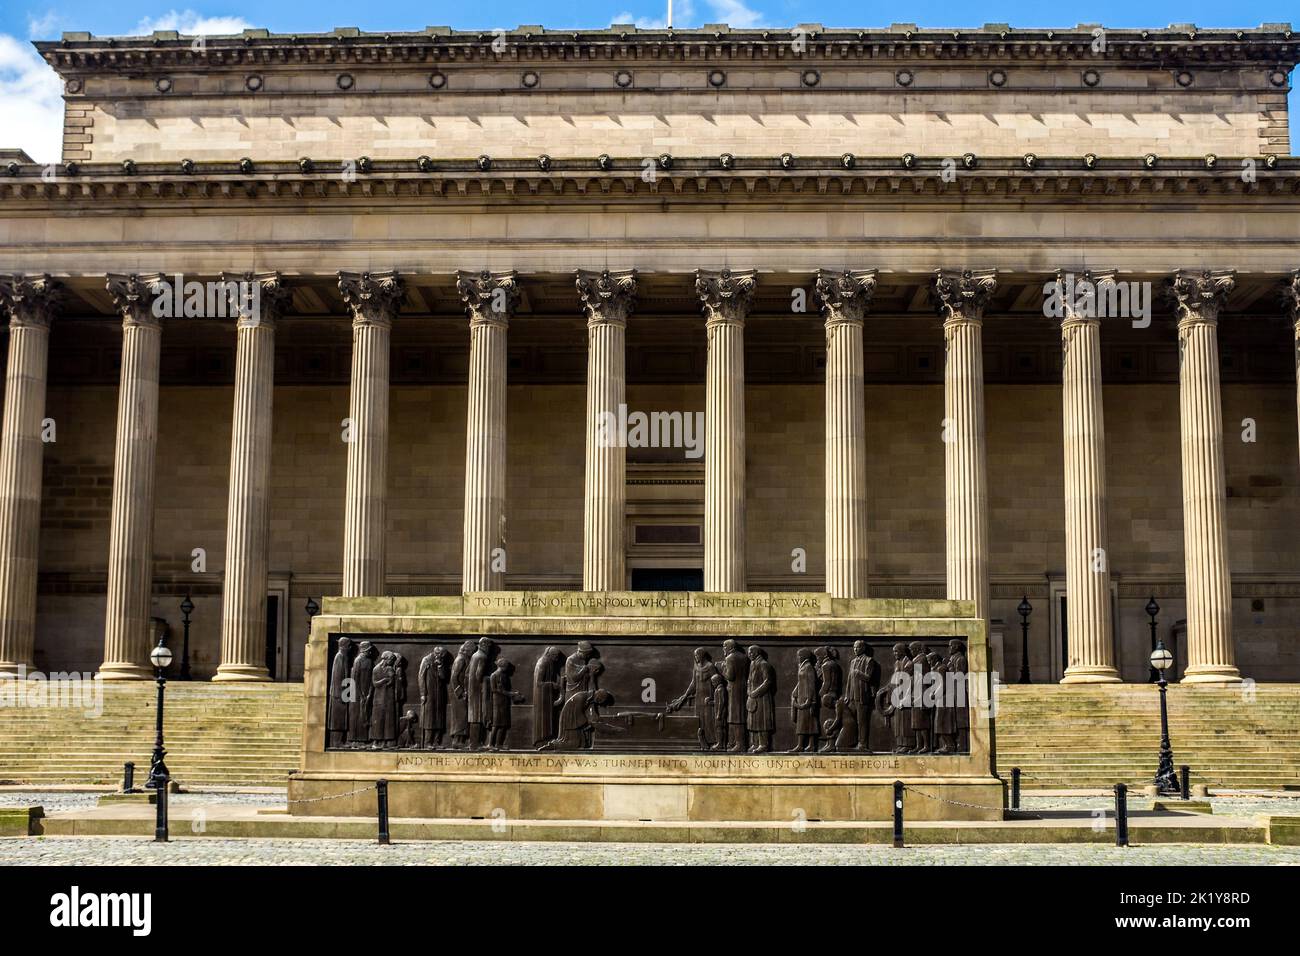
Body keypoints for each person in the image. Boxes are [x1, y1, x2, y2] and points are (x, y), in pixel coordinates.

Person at [666, 647, 719, 751]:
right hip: (699, 697)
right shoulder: (696, 667)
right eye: (695, 656)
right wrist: (685, 695)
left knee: (709, 720)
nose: (696, 657)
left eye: (697, 655)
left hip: (708, 698)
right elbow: (693, 683)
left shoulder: (710, 666)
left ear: (702, 655)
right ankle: (701, 740)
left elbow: (716, 683)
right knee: (699, 719)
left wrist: (714, 697)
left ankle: (712, 741)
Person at [543, 689, 615, 750]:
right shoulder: (581, 697)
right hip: (570, 721)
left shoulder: (588, 698)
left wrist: (593, 722)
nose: (600, 705)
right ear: (600, 699)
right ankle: (553, 745)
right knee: (573, 743)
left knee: (581, 743)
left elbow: (587, 713)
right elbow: (577, 713)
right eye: (602, 704)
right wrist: (590, 723)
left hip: (574, 721)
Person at [845, 640, 880, 753]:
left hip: (862, 695)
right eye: (854, 647)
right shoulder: (853, 662)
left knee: (862, 721)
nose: (855, 649)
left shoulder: (869, 661)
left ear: (863, 648)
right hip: (852, 695)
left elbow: (869, 677)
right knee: (852, 720)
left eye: (858, 647)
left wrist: (858, 673)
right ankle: (851, 742)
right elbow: (849, 680)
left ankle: (862, 744)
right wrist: (847, 695)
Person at [531, 646, 565, 749]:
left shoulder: (549, 662)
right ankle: (541, 740)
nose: (556, 658)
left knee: (549, 718)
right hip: (541, 697)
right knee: (543, 719)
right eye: (555, 656)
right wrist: (552, 684)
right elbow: (539, 682)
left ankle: (548, 739)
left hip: (547, 696)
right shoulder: (543, 662)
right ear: (550, 654)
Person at [467, 637, 497, 750]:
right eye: (489, 647)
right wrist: (491, 678)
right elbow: (479, 676)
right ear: (483, 645)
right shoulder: (482, 657)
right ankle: (475, 744)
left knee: (474, 716)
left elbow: (467, 673)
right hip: (478, 691)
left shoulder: (474, 655)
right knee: (477, 716)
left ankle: (474, 743)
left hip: (472, 690)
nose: (489, 649)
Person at [488, 658, 525, 750]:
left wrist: (512, 694)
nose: (508, 669)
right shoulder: (494, 675)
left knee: (503, 724)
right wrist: (511, 694)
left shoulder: (504, 675)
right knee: (496, 724)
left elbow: (504, 689)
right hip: (497, 702)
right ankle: (490, 744)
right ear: (502, 666)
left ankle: (499, 744)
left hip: (505, 702)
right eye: (507, 667)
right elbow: (494, 690)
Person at [719, 639, 749, 752]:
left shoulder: (730, 658)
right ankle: (734, 742)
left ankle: (739, 744)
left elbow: (730, 676)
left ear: (729, 647)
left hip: (734, 690)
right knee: (738, 716)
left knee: (736, 717)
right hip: (743, 689)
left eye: (724, 647)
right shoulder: (744, 657)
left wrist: (722, 668)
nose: (723, 649)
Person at [418, 646, 450, 749]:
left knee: (439, 717)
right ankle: (428, 742)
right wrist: (423, 693)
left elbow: (444, 677)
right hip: (429, 693)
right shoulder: (426, 660)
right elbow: (421, 677)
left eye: (443, 657)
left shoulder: (441, 662)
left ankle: (437, 742)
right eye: (440, 655)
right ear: (436, 653)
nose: (441, 657)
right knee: (429, 718)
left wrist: (440, 666)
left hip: (439, 693)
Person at [745, 645, 776, 753]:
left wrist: (755, 692)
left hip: (762, 698)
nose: (749, 654)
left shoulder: (764, 664)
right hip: (752, 697)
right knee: (753, 722)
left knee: (762, 722)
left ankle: (763, 744)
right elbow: (749, 680)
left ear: (757, 653)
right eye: (748, 652)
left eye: (751, 652)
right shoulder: (752, 664)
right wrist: (749, 692)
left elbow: (767, 682)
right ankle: (755, 743)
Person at [346, 640, 376, 748]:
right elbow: (355, 679)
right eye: (369, 650)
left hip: (367, 693)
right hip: (357, 694)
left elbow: (372, 678)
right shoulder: (357, 661)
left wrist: (369, 692)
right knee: (357, 715)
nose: (370, 652)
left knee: (365, 715)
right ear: (364, 650)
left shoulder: (370, 661)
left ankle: (364, 739)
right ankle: (354, 740)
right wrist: (361, 694)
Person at [790, 648, 820, 753]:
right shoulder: (802, 666)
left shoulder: (809, 667)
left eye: (799, 656)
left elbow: (812, 684)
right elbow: (800, 681)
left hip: (807, 699)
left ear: (804, 656)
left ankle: (809, 745)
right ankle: (801, 745)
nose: (797, 658)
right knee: (802, 722)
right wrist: (795, 692)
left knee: (810, 722)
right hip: (801, 697)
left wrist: (810, 700)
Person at [448, 640, 476, 750]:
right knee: (460, 716)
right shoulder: (460, 659)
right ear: (467, 650)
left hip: (462, 692)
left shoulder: (465, 659)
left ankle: (461, 740)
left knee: (463, 717)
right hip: (458, 694)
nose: (473, 653)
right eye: (472, 651)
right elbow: (454, 677)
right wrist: (460, 692)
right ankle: (456, 741)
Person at [368, 651, 398, 748]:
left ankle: (387, 741)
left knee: (388, 719)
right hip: (379, 698)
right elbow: (375, 683)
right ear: (386, 659)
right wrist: (384, 680)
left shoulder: (390, 669)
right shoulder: (376, 669)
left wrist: (392, 677)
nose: (393, 662)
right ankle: (376, 741)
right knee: (378, 719)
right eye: (392, 660)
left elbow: (392, 682)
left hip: (389, 698)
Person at [327, 636, 352, 749]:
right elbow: (337, 677)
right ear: (344, 646)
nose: (350, 648)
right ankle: (336, 742)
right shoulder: (340, 657)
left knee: (341, 718)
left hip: (342, 693)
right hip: (338, 694)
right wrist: (342, 694)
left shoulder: (344, 657)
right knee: (337, 719)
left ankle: (340, 741)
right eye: (349, 646)